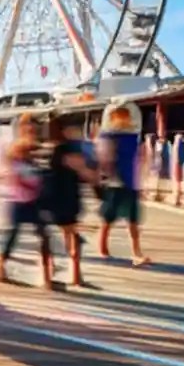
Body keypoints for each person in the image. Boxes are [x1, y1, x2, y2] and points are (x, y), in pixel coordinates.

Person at [0, 120, 52, 288]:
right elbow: (11, 175)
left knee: (43, 236)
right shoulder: (15, 152)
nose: (32, 132)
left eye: (34, 129)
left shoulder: (36, 152)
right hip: (17, 201)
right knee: (12, 235)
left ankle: (47, 276)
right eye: (29, 129)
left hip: (34, 201)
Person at [97, 104, 152, 266]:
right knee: (108, 219)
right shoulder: (108, 136)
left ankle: (137, 253)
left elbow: (140, 159)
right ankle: (102, 249)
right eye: (119, 116)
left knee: (133, 220)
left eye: (125, 116)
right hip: (114, 183)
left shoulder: (134, 137)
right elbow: (104, 158)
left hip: (131, 181)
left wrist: (141, 182)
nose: (123, 120)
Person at [45, 118, 97, 287]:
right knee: (71, 234)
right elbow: (82, 171)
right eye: (73, 129)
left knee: (62, 234)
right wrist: (96, 182)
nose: (76, 133)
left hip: (58, 196)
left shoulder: (55, 149)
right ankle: (73, 274)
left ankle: (56, 271)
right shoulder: (67, 149)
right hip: (65, 196)